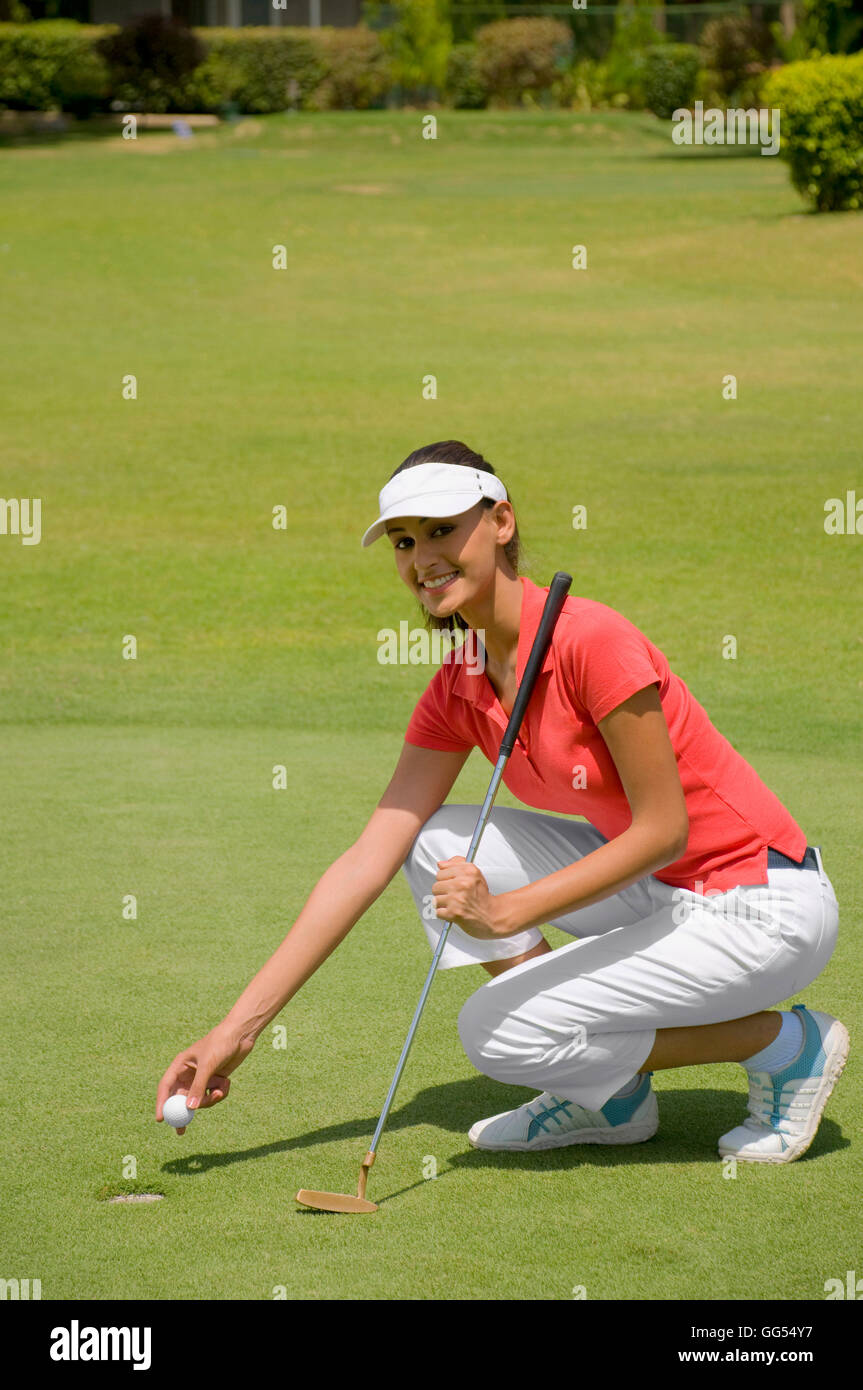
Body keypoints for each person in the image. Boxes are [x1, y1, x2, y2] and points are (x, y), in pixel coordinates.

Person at [156, 440, 848, 1165]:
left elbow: (664, 832)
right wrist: (238, 1029)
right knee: (435, 840)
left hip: (758, 905)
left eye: (442, 530)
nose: (421, 557)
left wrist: (506, 912)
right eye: (403, 541)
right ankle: (604, 1093)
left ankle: (785, 1045)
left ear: (502, 522)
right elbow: (370, 856)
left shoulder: (593, 640)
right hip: (662, 895)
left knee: (495, 1033)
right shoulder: (459, 679)